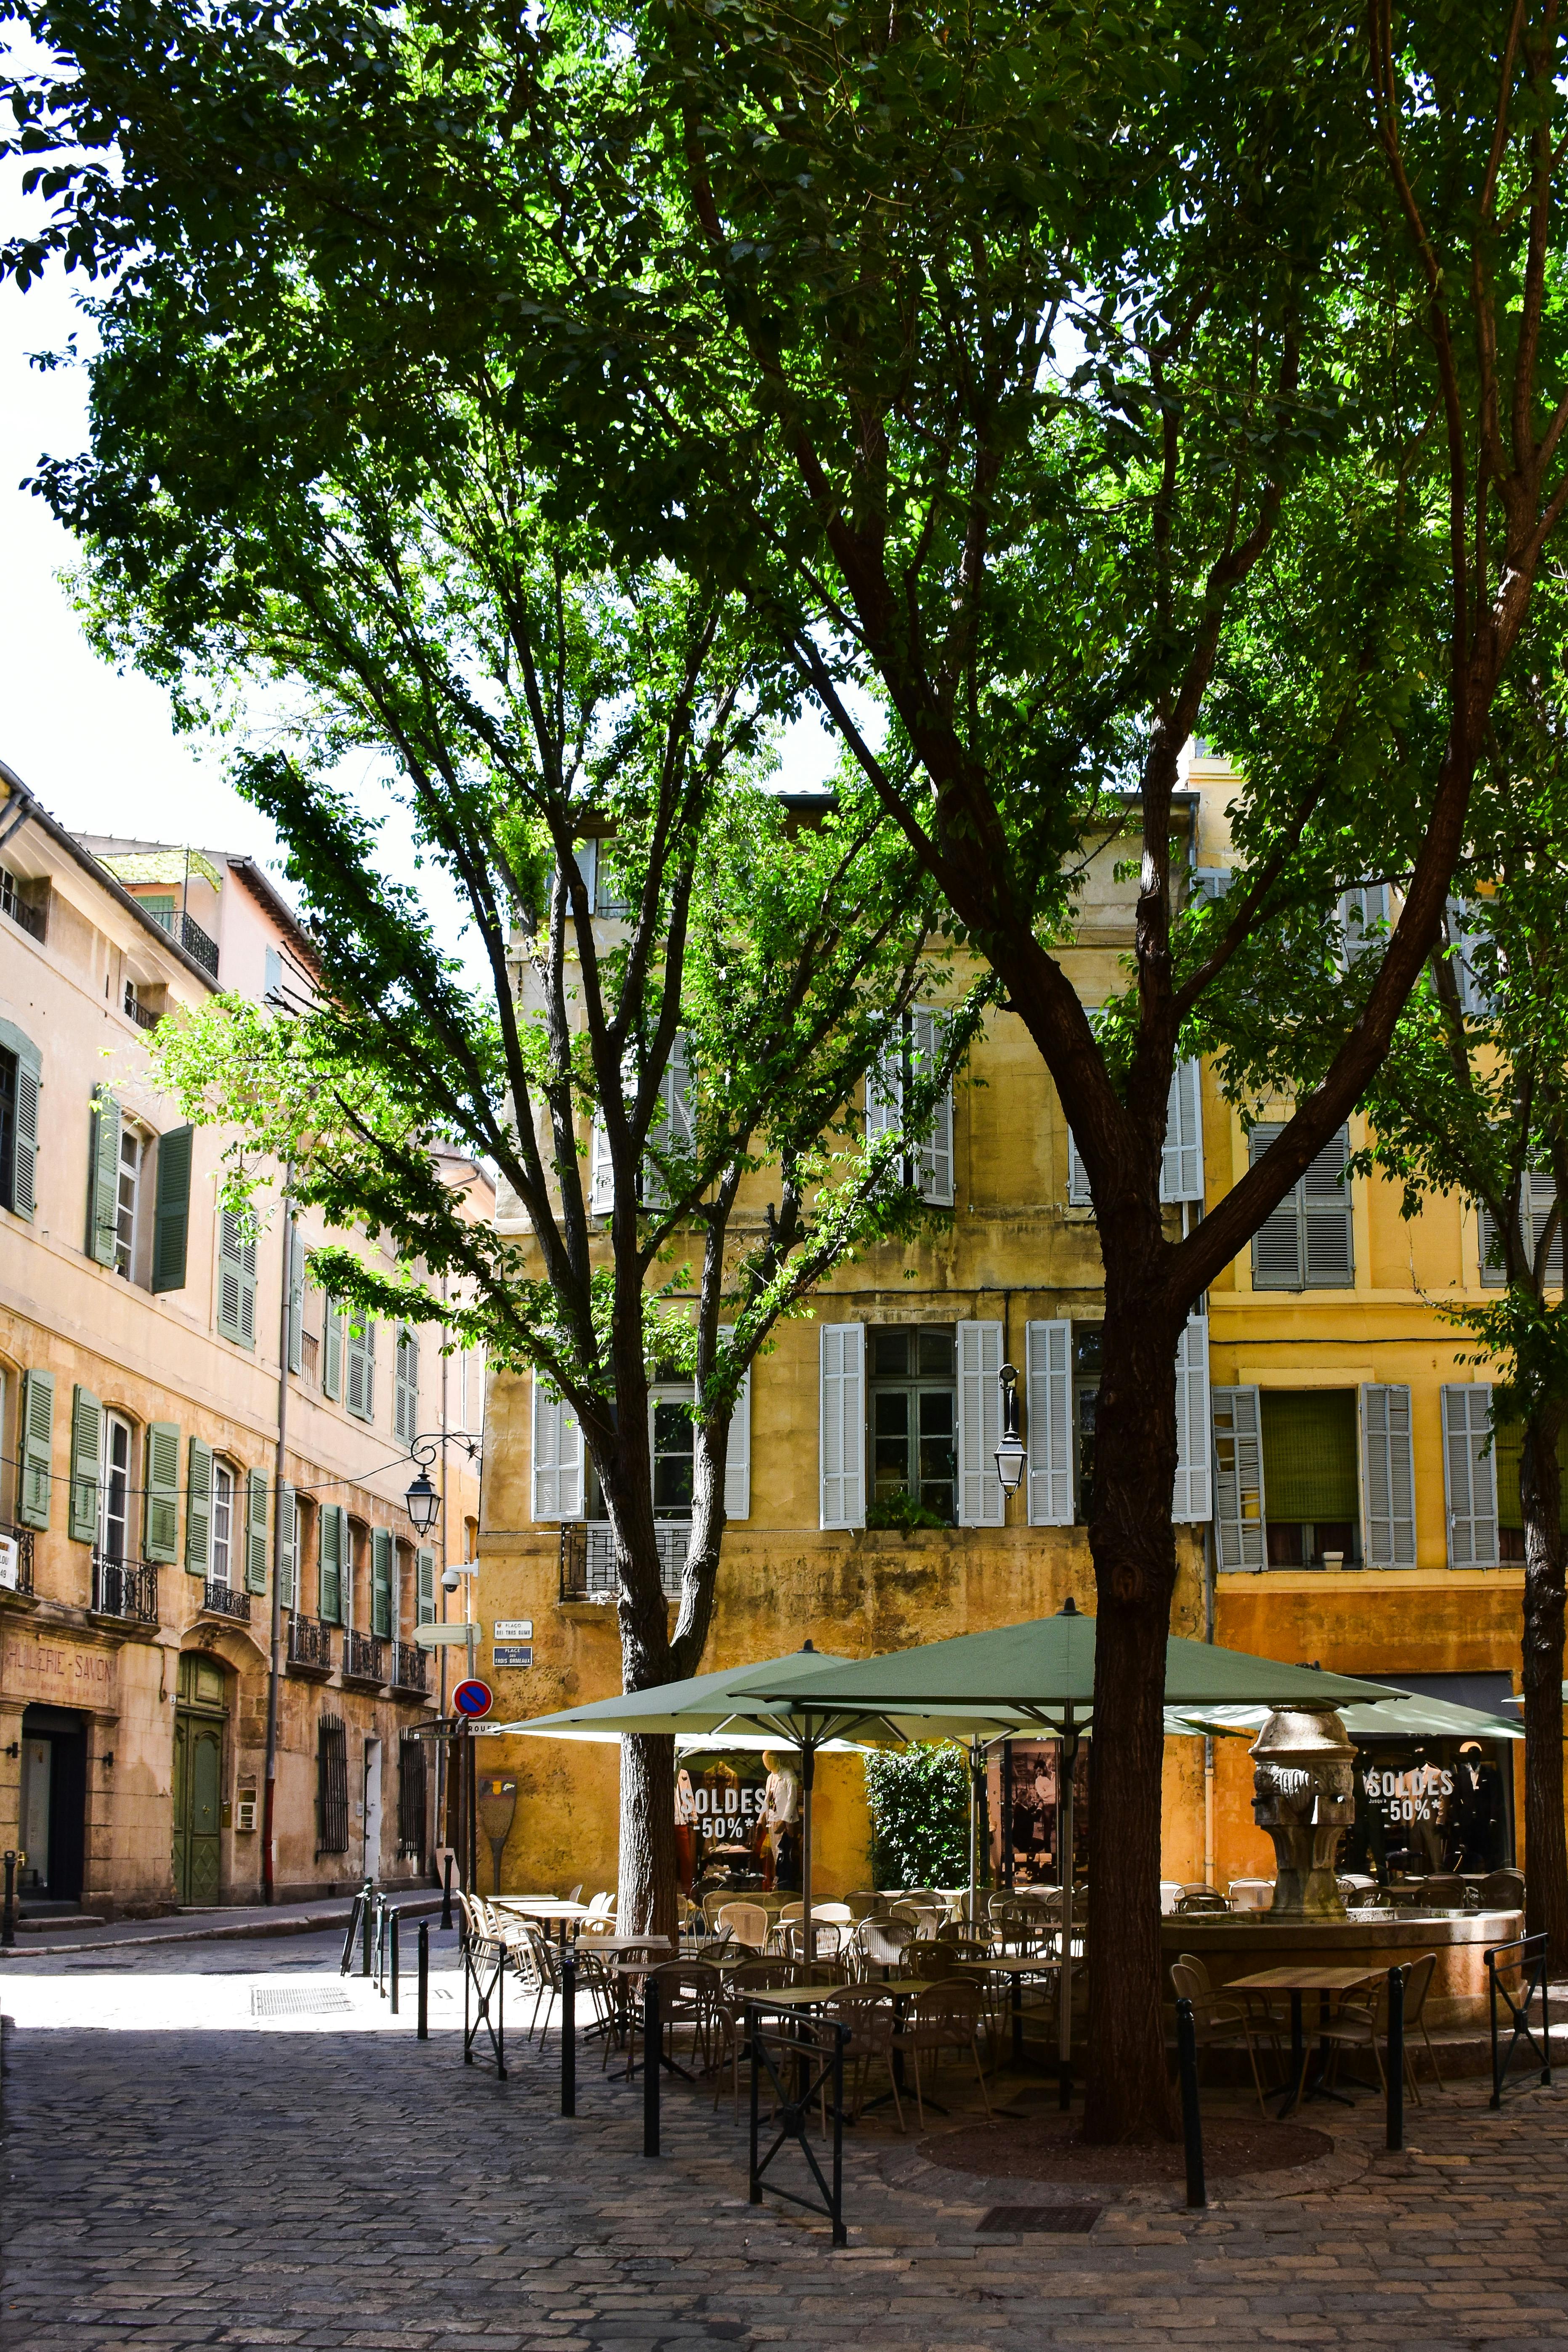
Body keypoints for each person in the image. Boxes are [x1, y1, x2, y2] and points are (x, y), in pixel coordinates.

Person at [758, 1749, 801, 1891]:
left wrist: (785, 1820)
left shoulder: (789, 1775)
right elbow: (767, 1798)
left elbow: (792, 1799)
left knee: (784, 1852)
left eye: (768, 1761)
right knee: (775, 1853)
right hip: (772, 1818)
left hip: (784, 1821)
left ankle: (785, 1883)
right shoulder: (771, 1778)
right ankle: (778, 1881)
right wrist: (761, 1818)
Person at [675, 1764, 696, 1894]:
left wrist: (693, 1815)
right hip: (669, 1821)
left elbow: (689, 1796)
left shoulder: (683, 1774)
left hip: (682, 1821)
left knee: (686, 1859)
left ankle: (688, 1894)